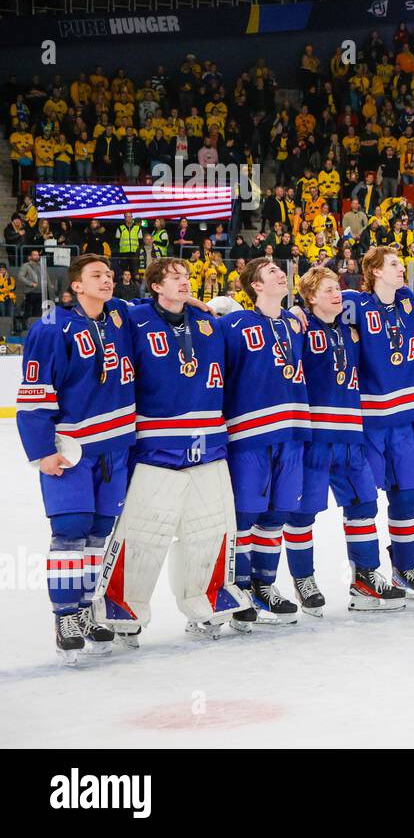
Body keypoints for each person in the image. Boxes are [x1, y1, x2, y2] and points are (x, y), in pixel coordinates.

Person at [93, 258, 249, 645]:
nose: (184, 282)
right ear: (155, 286)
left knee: (210, 528)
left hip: (209, 441)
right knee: (145, 530)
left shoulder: (206, 322)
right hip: (157, 444)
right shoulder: (134, 318)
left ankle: (207, 599)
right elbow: (101, 310)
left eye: (186, 277)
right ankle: (123, 607)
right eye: (174, 277)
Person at [17, 255, 138, 661]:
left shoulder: (120, 315)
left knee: (98, 533)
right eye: (96, 276)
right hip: (73, 448)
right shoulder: (51, 329)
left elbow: (161, 309)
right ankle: (65, 614)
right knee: (70, 530)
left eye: (109, 274)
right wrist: (42, 452)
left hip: (115, 446)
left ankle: (86, 608)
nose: (107, 280)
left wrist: (195, 303)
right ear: (76, 287)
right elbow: (34, 390)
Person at [293, 266, 405, 612]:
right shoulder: (297, 327)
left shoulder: (349, 327)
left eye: (337, 287)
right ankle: (303, 579)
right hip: (314, 438)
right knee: (302, 513)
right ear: (310, 297)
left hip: (351, 435)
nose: (336, 293)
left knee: (363, 506)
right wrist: (292, 312)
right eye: (327, 290)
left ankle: (365, 578)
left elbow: (380, 300)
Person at [341, 247, 414, 597]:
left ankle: (404, 566)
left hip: (405, 420)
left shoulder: (409, 301)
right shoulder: (355, 303)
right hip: (370, 420)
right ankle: (364, 574)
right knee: (364, 500)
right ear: (375, 271)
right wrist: (294, 309)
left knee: (406, 494)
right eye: (395, 265)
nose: (403, 269)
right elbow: (317, 307)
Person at [219, 257, 311, 624]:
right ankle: (238, 588)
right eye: (270, 271)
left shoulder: (293, 322)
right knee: (244, 515)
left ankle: (264, 585)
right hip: (249, 434)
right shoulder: (234, 323)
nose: (279, 274)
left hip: (290, 431)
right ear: (255, 286)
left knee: (278, 513)